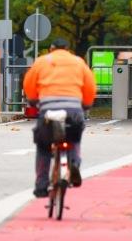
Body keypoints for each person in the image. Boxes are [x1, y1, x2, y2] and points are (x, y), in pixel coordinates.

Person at [23, 37, 96, 198]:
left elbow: (29, 84)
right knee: (74, 139)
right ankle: (74, 164)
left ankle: (41, 185)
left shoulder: (42, 61)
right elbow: (90, 86)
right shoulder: (78, 62)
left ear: (51, 49)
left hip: (48, 110)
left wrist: (33, 100)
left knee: (43, 145)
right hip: (73, 111)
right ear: (67, 49)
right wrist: (86, 104)